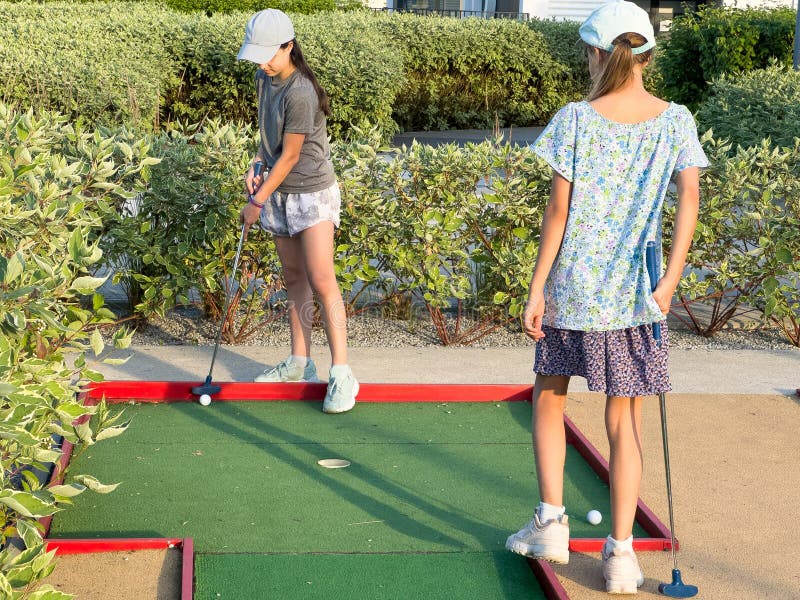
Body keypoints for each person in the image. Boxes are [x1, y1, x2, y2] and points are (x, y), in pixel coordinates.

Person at [504, 1, 707, 594]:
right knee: (624, 418)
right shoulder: (676, 120)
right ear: (648, 52)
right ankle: (620, 555)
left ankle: (550, 522)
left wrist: (537, 286)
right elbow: (689, 199)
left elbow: (559, 211)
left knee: (549, 399)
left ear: (596, 54)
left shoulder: (575, 119)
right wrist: (670, 281)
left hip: (573, 289)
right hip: (637, 296)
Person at [236, 9, 358, 413]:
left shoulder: (301, 91)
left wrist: (256, 201)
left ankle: (342, 373)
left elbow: (289, 156)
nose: (262, 61)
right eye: (257, 54)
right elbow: (268, 139)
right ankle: (299, 363)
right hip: (279, 191)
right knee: (293, 277)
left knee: (322, 279)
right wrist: (256, 165)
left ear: (289, 46)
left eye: (268, 54)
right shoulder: (264, 79)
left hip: (311, 193)